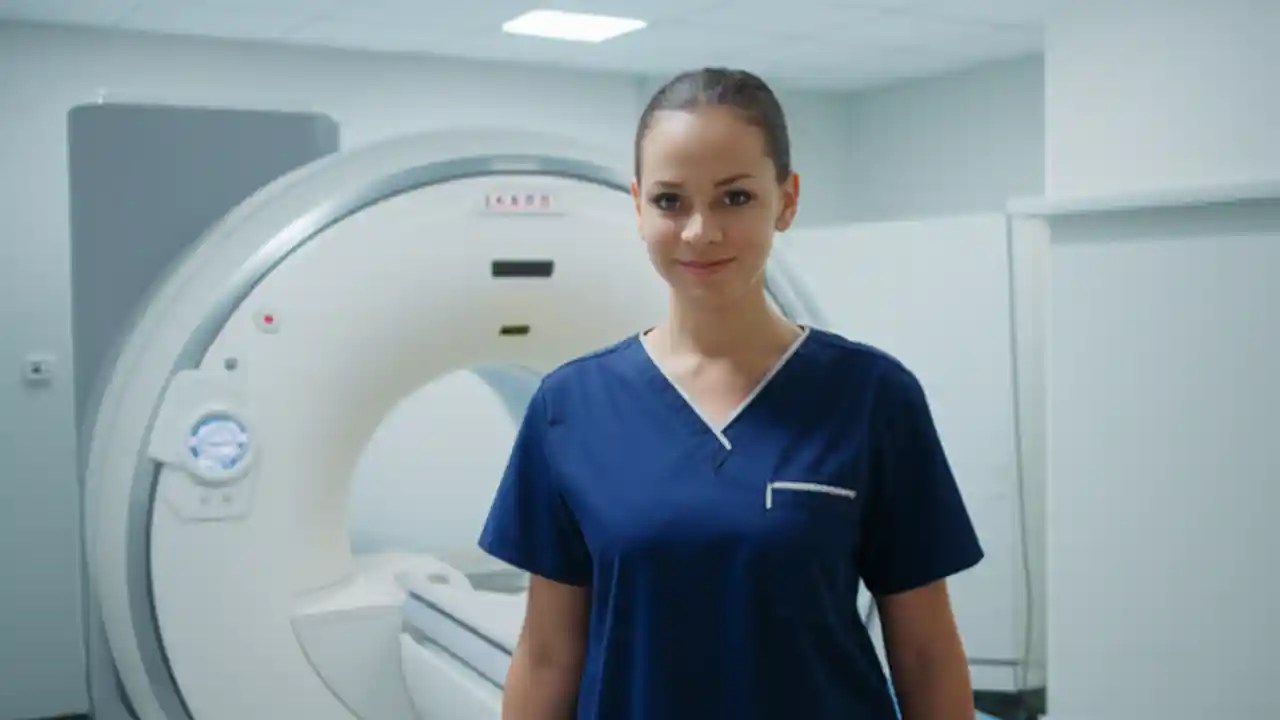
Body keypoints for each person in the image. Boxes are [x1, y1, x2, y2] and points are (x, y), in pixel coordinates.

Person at [478, 67, 984, 719]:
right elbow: (548, 653)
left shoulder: (872, 398)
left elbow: (925, 653)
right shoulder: (570, 407)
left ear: (788, 199)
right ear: (637, 206)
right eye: (669, 201)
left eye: (734, 198)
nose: (699, 231)